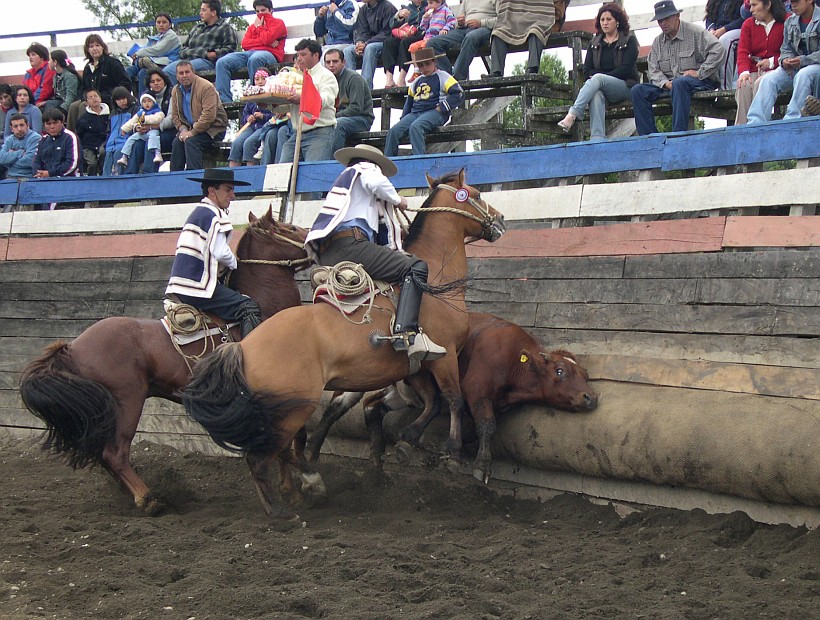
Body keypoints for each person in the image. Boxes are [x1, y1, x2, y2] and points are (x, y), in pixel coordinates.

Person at [305, 144, 446, 365]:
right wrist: (399, 200)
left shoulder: (348, 180)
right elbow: (376, 182)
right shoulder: (365, 168)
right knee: (415, 267)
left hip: (331, 251)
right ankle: (406, 334)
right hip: (351, 246)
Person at [165, 168, 262, 338]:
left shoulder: (199, 212)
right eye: (228, 189)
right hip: (198, 286)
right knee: (248, 308)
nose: (232, 195)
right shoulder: (214, 214)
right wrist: (238, 265)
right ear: (211, 191)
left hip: (182, 285)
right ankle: (250, 357)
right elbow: (221, 253)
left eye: (232, 190)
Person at [630, 1, 726, 135]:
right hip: (670, 85)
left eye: (666, 18)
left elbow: (718, 50)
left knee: (680, 83)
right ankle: (650, 139)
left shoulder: (695, 32)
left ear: (677, 16)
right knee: (637, 90)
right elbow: (653, 68)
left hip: (699, 82)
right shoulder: (658, 42)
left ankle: (678, 135)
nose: (663, 23)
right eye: (660, 21)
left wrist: (700, 72)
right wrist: (665, 83)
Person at [557, 3, 639, 140]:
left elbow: (626, 70)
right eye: (602, 20)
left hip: (626, 86)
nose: (605, 23)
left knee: (598, 79)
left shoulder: (629, 40)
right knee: (596, 94)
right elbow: (587, 69)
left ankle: (573, 113)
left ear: (617, 21)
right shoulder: (595, 42)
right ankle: (597, 138)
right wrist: (600, 80)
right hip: (602, 88)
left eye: (609, 19)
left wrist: (602, 78)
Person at [746, 0, 820, 123]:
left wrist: (802, 60)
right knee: (768, 79)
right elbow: (785, 48)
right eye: (791, 2)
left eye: (797, 1)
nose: (793, 5)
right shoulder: (790, 21)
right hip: (795, 69)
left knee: (804, 74)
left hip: (815, 68)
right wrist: (785, 60)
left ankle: (791, 120)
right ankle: (755, 123)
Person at [384, 47, 464, 156]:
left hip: (435, 112)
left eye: (427, 64)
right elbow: (409, 102)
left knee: (416, 127)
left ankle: (419, 160)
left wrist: (442, 107)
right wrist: (404, 119)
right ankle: (388, 163)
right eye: (421, 65)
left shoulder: (443, 76)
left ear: (434, 62)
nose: (425, 67)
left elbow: (459, 93)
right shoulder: (416, 81)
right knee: (393, 131)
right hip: (415, 113)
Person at [278, 39, 339, 164]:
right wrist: (270, 105)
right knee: (282, 174)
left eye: (303, 54)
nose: (299, 58)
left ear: (316, 55)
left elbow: (326, 99)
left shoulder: (326, 76)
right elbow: (288, 106)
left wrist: (303, 99)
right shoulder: (295, 77)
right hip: (297, 134)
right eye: (298, 55)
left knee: (313, 176)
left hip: (320, 132)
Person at [215, 0, 287, 103]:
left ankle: (256, 100)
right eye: (257, 11)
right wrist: (265, 42)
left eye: (263, 10)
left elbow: (266, 39)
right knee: (222, 62)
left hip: (270, 54)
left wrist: (260, 28)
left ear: (271, 10)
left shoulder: (278, 23)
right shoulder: (252, 26)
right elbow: (245, 44)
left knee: (255, 59)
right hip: (249, 53)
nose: (260, 13)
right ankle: (225, 102)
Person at [734, 0, 788, 124]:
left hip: (778, 70)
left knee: (761, 82)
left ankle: (758, 126)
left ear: (768, 4)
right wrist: (744, 72)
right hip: (754, 70)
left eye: (754, 5)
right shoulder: (748, 24)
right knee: (744, 84)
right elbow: (742, 52)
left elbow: (790, 51)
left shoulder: (786, 21)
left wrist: (771, 62)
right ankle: (741, 128)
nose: (750, 9)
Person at [164, 1, 239, 87]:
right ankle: (177, 97)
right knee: (167, 71)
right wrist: (204, 53)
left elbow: (231, 49)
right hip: (188, 60)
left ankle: (188, 96)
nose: (200, 13)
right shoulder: (197, 28)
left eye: (203, 10)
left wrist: (215, 53)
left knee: (184, 71)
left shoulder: (225, 28)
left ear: (213, 12)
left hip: (208, 62)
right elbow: (183, 50)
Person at [170, 61, 228, 171]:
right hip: (190, 129)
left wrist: (192, 133)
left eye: (187, 72)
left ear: (194, 73)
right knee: (177, 142)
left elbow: (209, 116)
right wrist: (183, 130)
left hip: (214, 129)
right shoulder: (175, 91)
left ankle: (194, 176)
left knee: (191, 142)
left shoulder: (206, 87)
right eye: (181, 73)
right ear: (177, 76)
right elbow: (175, 115)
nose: (184, 75)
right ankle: (175, 179)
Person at [67, 34, 131, 131]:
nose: (94, 48)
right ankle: (72, 137)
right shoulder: (88, 67)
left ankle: (87, 137)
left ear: (103, 47)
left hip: (108, 99)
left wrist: (109, 96)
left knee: (82, 106)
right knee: (73, 106)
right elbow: (83, 88)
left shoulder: (112, 63)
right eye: (91, 46)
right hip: (90, 99)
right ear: (87, 50)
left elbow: (126, 84)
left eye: (97, 45)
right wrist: (84, 98)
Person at [427, 0, 497, 81]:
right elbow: (457, 23)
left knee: (471, 37)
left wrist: (480, 23)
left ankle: (458, 77)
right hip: (464, 28)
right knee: (432, 43)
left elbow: (502, 19)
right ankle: (447, 77)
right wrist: (460, 22)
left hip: (484, 28)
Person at [125, 69, 177, 174]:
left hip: (168, 132)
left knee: (151, 142)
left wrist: (152, 127)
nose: (156, 83)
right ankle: (130, 176)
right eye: (153, 81)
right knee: (137, 144)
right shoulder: (146, 97)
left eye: (159, 80)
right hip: (147, 132)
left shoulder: (172, 95)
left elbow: (171, 120)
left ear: (165, 81)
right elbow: (138, 117)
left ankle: (149, 175)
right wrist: (137, 127)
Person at [485, 0, 554, 77]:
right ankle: (496, 72)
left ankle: (532, 69)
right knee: (498, 33)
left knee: (536, 31)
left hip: (537, 16)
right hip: (512, 18)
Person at [325, 48, 375, 152]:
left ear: (343, 62)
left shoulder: (353, 78)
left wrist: (332, 117)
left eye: (335, 61)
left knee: (337, 124)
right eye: (328, 62)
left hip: (361, 119)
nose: (331, 65)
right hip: (338, 117)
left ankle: (333, 161)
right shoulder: (327, 80)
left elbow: (356, 108)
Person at [343, 0, 398, 88]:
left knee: (370, 48)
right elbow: (362, 31)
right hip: (367, 43)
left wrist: (366, 43)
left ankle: (366, 88)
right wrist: (359, 42)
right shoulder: (363, 9)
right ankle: (352, 87)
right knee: (347, 51)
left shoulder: (387, 6)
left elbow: (387, 33)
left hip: (385, 44)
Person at [126, 12, 181, 94]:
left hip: (166, 63)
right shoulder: (156, 37)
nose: (161, 25)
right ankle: (123, 96)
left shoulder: (171, 36)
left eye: (164, 22)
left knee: (143, 73)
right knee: (129, 70)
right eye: (158, 22)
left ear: (170, 25)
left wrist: (138, 53)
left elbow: (157, 50)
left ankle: (144, 102)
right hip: (152, 63)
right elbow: (147, 51)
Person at [228, 69, 273, 167]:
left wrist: (263, 116)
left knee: (249, 143)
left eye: (263, 79)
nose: (260, 82)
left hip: (264, 126)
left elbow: (276, 114)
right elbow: (245, 115)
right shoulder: (251, 96)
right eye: (257, 79)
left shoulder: (272, 94)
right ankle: (232, 174)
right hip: (252, 127)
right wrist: (248, 118)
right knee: (236, 143)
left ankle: (251, 171)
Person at [382, 0, 428, 88]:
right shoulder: (406, 8)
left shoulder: (429, 5)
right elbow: (392, 25)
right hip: (406, 34)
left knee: (405, 42)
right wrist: (399, 16)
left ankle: (402, 77)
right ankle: (389, 78)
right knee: (388, 42)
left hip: (421, 35)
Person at [116, 93, 165, 169]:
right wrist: (124, 129)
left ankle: (157, 154)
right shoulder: (140, 113)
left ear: (153, 102)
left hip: (152, 130)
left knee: (154, 137)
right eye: (144, 102)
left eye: (149, 101)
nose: (147, 103)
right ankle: (125, 156)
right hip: (142, 133)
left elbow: (157, 119)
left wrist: (145, 119)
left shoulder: (158, 111)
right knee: (131, 139)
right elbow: (132, 121)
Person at [705, 0, 746, 88]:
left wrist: (724, 29)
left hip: (740, 29)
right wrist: (711, 30)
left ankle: (725, 88)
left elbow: (744, 18)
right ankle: (707, 85)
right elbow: (709, 18)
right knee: (704, 40)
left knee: (726, 40)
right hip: (718, 31)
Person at [33, 107, 80, 179]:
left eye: (55, 123)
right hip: (45, 181)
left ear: (62, 122)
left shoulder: (70, 137)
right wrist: (39, 174)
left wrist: (50, 174)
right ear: (44, 125)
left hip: (69, 180)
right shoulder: (42, 140)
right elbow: (37, 162)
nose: (52, 127)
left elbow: (72, 164)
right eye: (48, 124)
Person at [101, 87, 137, 176]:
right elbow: (109, 130)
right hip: (111, 143)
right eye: (118, 100)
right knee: (107, 158)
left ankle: (119, 177)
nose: (122, 102)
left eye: (123, 98)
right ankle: (105, 180)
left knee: (118, 155)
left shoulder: (135, 109)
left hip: (125, 141)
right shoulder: (113, 112)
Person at [75, 89, 110, 176]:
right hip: (88, 145)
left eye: (95, 96)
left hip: (104, 142)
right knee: (92, 163)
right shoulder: (84, 118)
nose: (94, 99)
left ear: (100, 98)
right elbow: (79, 134)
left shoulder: (109, 114)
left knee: (103, 153)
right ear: (87, 102)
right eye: (90, 97)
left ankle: (104, 175)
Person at [0, 114, 42, 180]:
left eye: (22, 125)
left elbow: (30, 161)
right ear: (11, 128)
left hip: (30, 177)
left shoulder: (35, 138)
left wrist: (10, 161)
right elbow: (1, 159)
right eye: (15, 126)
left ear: (27, 125)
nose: (19, 129)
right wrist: (21, 153)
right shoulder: (9, 139)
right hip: (10, 177)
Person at [42, 50, 81, 114]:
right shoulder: (55, 76)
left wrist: (61, 110)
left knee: (50, 106)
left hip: (67, 105)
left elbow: (70, 98)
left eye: (50, 60)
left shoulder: (70, 77)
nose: (48, 63)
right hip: (59, 102)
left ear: (55, 62)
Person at [23, 43, 56, 107]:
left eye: (33, 55)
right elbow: (23, 91)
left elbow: (44, 90)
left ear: (42, 57)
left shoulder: (48, 69)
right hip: (30, 104)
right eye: (29, 55)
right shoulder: (27, 74)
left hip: (42, 104)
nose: (30, 57)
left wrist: (30, 103)